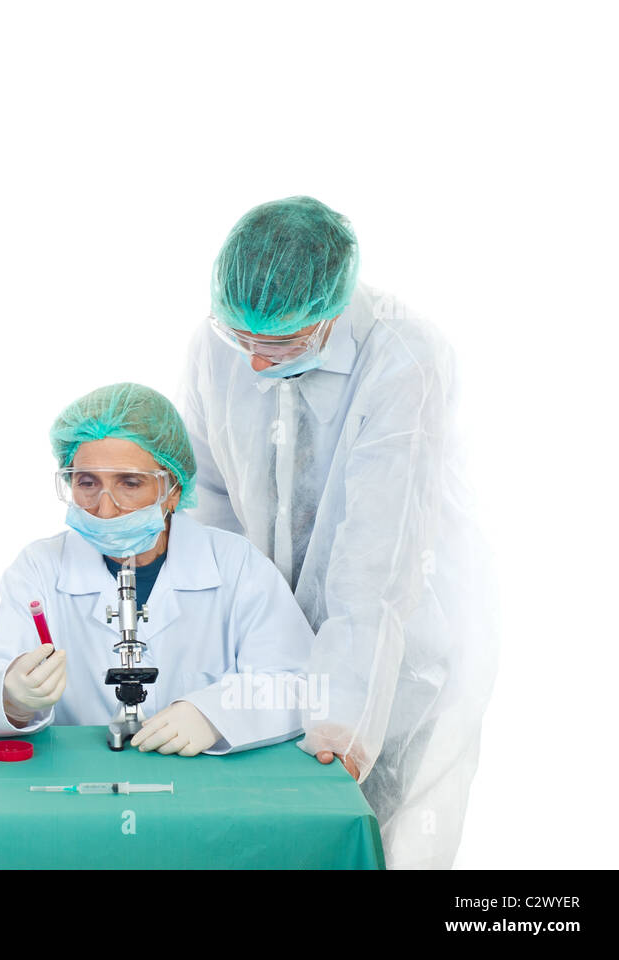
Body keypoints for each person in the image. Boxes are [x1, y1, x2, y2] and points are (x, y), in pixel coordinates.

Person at [179, 195, 498, 868]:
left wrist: (343, 718)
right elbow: (208, 497)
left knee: (377, 835)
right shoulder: (218, 347)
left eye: (282, 345)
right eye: (245, 343)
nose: (257, 365)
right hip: (277, 640)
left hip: (397, 653)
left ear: (330, 315)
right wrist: (218, 645)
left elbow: (374, 564)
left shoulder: (404, 356)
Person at [0, 383, 314, 757]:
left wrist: (214, 714)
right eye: (86, 483)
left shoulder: (235, 565)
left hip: (206, 788)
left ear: (173, 489)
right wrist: (12, 697)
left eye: (130, 483)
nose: (106, 508)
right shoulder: (39, 568)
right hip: (81, 781)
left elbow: (298, 683)